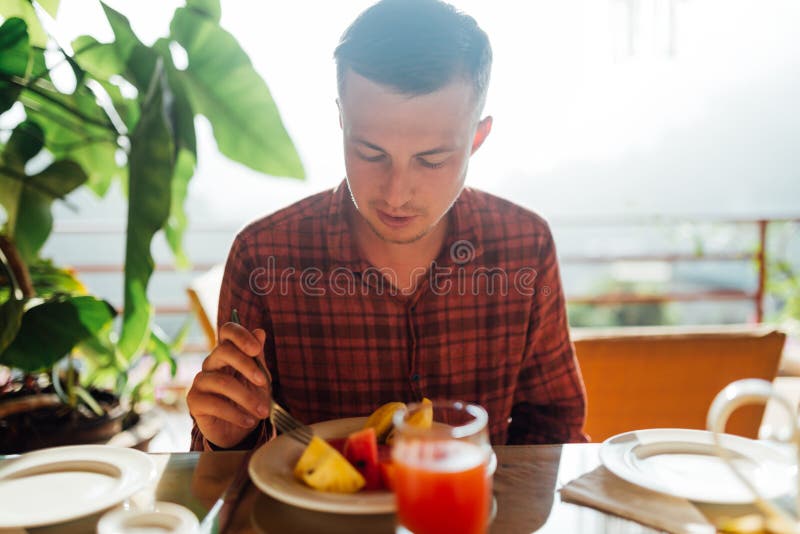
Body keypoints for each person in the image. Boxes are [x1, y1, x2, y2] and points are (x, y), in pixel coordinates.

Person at [187, 0, 587, 451]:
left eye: (432, 160)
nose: (397, 194)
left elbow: (555, 428)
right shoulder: (264, 255)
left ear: (477, 138)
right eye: (371, 154)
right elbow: (238, 468)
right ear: (342, 120)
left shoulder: (524, 245)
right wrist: (223, 442)